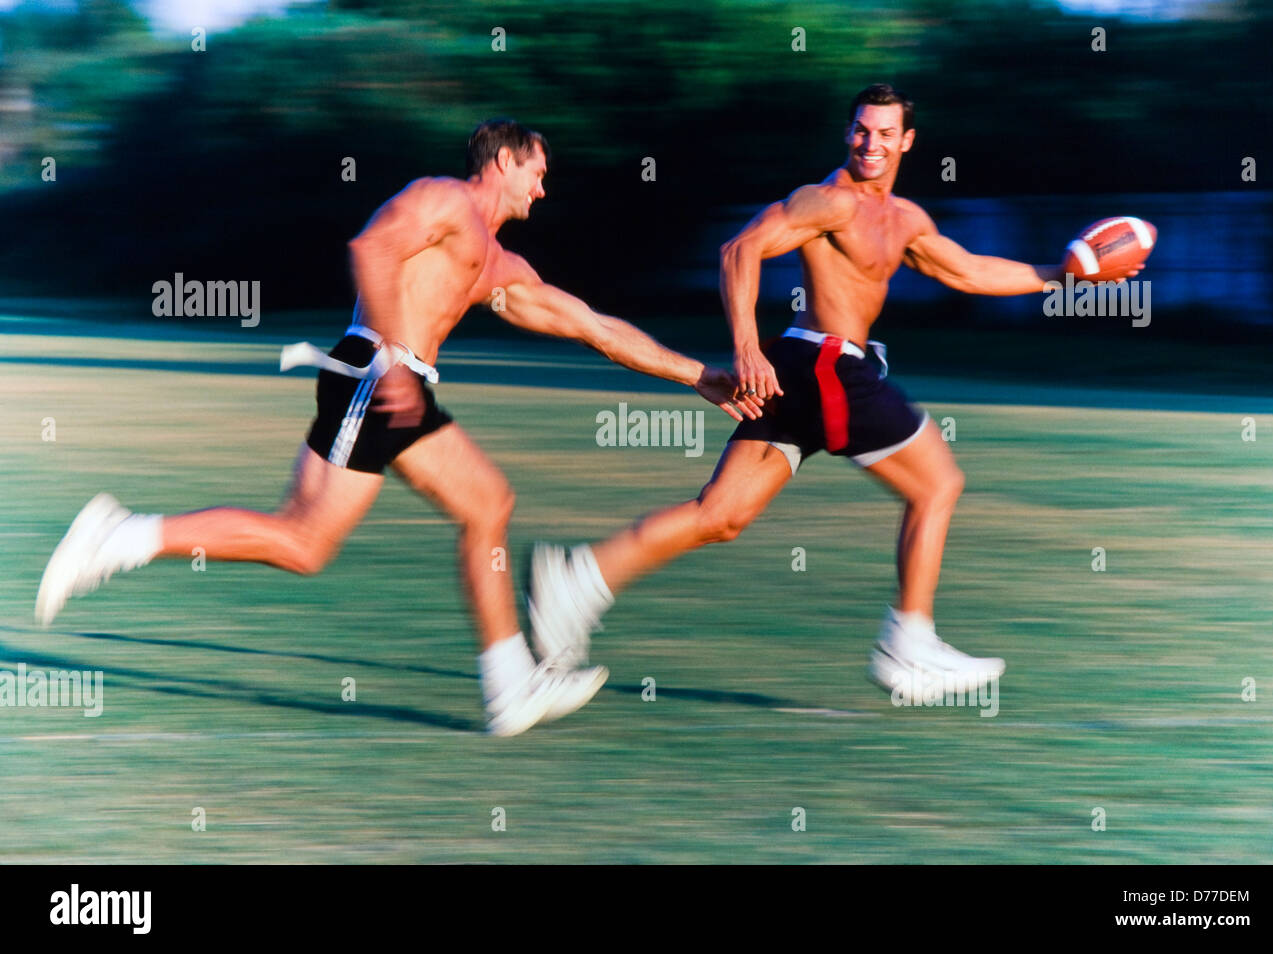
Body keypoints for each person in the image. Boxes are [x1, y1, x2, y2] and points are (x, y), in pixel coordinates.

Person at [35, 118, 746, 736]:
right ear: (503, 160)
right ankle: (119, 537)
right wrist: (394, 359)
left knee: (342, 536)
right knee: (413, 518)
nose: (543, 190)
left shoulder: (499, 266)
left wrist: (697, 375)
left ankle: (123, 535)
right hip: (376, 374)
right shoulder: (442, 198)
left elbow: (595, 327)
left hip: (390, 385)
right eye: (538, 173)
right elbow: (370, 248)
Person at [528, 84, 1141, 703]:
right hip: (825, 365)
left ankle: (577, 580)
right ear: (847, 132)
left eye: (883, 133)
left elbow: (967, 270)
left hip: (809, 373)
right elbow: (740, 249)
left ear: (906, 141)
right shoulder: (827, 203)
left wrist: (1059, 275)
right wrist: (745, 348)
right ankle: (909, 646)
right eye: (859, 130)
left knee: (721, 517)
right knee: (938, 484)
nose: (869, 144)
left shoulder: (905, 219)